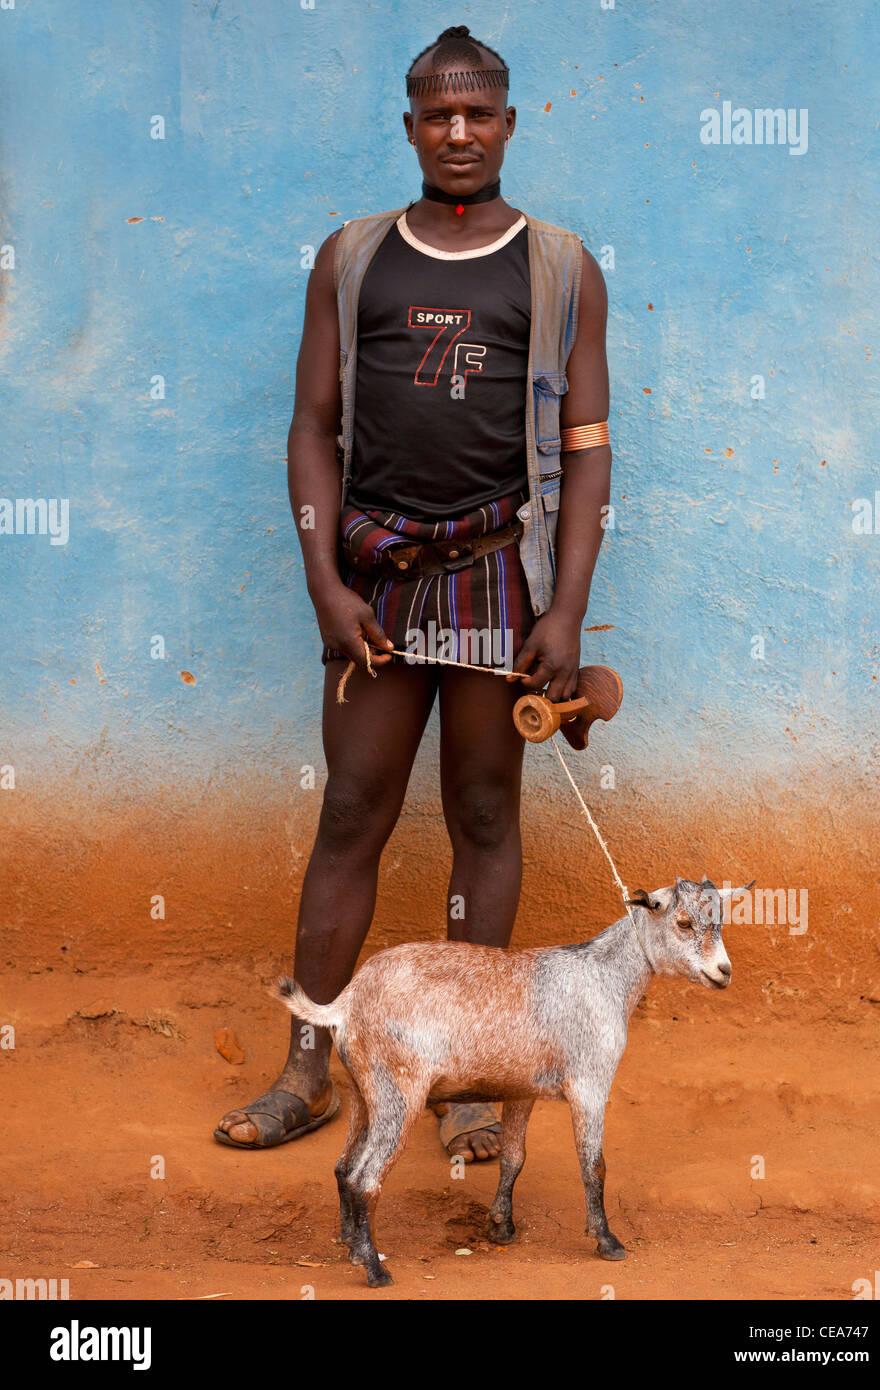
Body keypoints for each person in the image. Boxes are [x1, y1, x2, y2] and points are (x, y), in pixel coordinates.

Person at [215, 23, 611, 1163]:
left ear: (508, 123)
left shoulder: (558, 265)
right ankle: (309, 1064)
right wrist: (323, 583)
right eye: (437, 114)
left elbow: (585, 450)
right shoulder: (353, 257)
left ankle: (471, 1085)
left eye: (478, 112)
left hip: (498, 580)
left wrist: (565, 610)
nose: (457, 131)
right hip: (377, 586)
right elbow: (309, 426)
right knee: (351, 813)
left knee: (486, 816)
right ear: (407, 126)